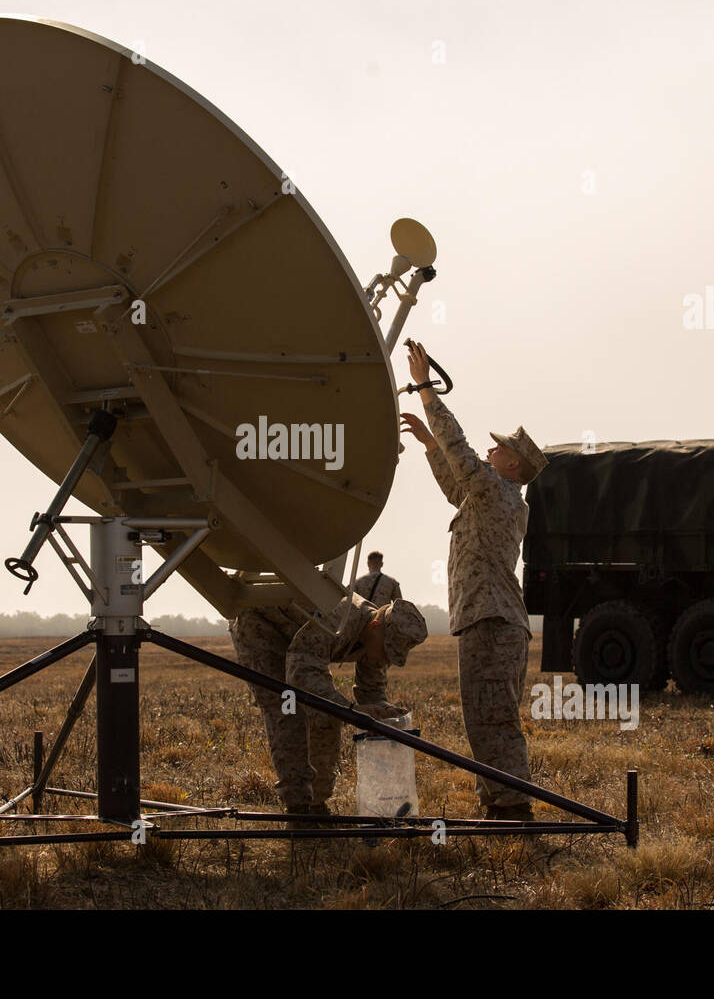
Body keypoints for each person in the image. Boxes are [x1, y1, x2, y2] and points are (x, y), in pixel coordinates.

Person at [399, 340, 548, 822]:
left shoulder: (499, 495)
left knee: (493, 720)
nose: (493, 447)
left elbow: (462, 456)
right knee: (482, 719)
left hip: (491, 622)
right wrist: (429, 444)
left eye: (500, 447)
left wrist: (425, 390)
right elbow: (454, 484)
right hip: (485, 620)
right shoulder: (490, 497)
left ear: (511, 466)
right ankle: (500, 804)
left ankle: (513, 808)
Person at [230, 595, 427, 816]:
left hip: (303, 646)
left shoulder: (375, 639)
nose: (386, 659)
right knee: (287, 709)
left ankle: (316, 803)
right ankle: (298, 807)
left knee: (328, 717)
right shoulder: (340, 617)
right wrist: (349, 711)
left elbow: (371, 692)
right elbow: (301, 672)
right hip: (262, 628)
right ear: (375, 625)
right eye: (386, 649)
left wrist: (384, 712)